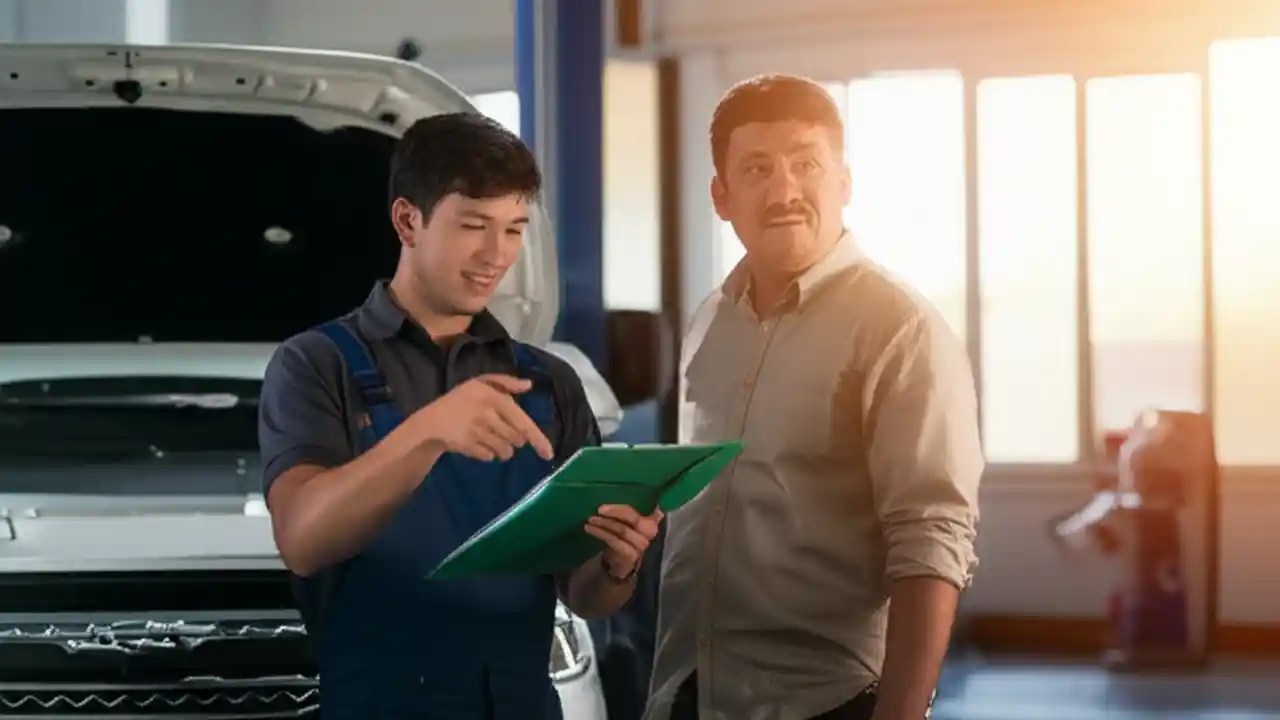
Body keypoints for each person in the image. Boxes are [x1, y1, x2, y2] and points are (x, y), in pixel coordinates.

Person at [257, 112, 662, 719]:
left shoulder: (549, 383)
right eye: (473, 225)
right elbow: (303, 541)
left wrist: (616, 563)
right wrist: (428, 432)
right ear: (407, 221)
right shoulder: (315, 365)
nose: (495, 255)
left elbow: (583, 593)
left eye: (513, 229)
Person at [644, 75, 984, 720]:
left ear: (844, 182)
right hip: (690, 690)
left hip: (824, 701)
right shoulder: (710, 320)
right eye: (757, 169)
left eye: (807, 164)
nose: (784, 191)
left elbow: (932, 533)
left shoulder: (900, 327)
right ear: (721, 196)